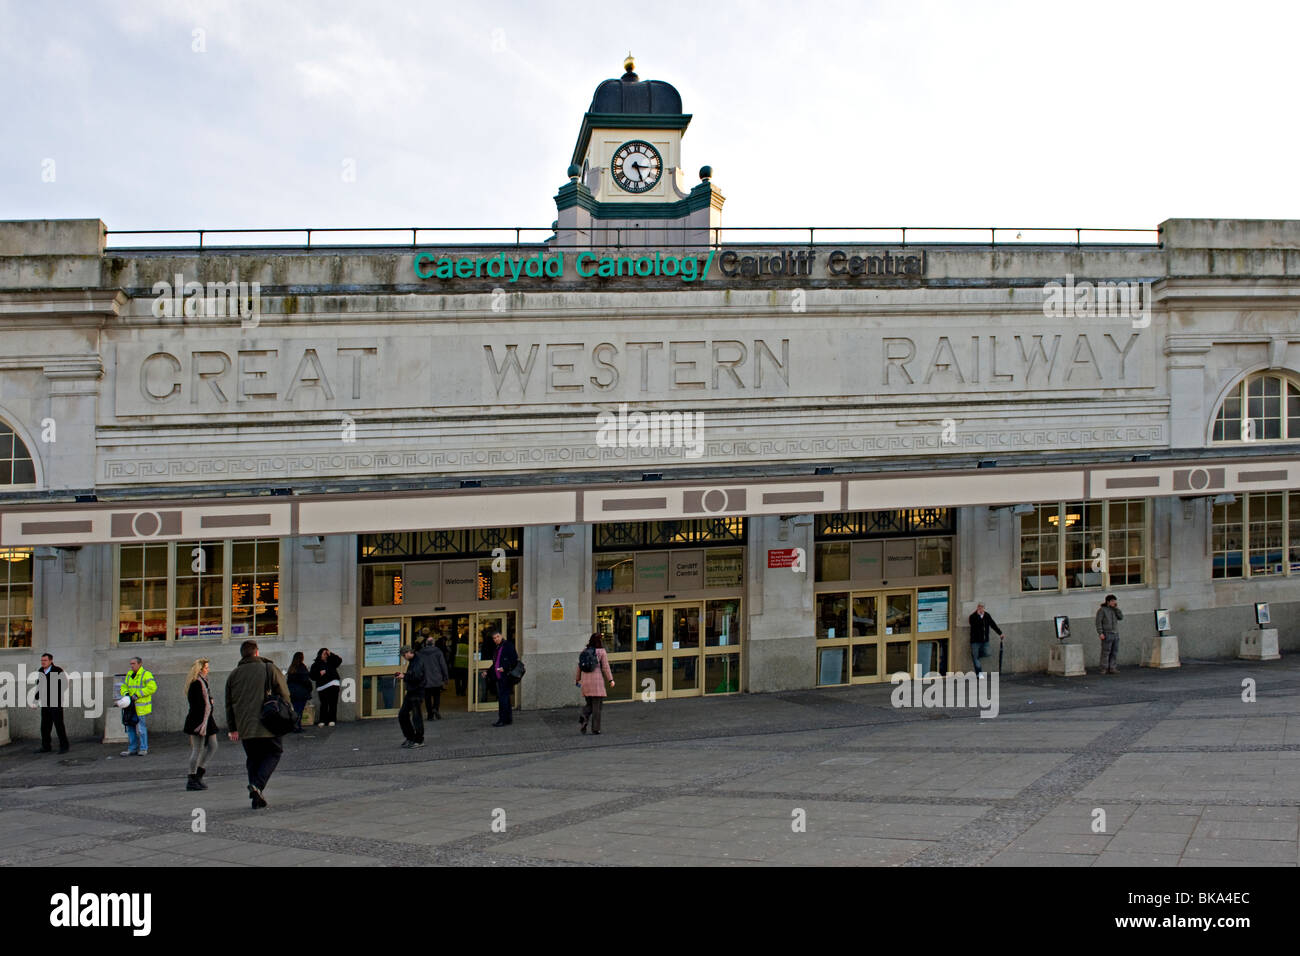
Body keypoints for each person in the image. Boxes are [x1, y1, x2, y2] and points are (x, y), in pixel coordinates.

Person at [225, 640, 293, 809]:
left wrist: (233, 728)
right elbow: (284, 693)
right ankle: (258, 785)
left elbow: (229, 704)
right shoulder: (268, 668)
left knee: (253, 759)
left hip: (245, 726)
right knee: (274, 752)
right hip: (268, 722)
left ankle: (256, 795)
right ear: (256, 652)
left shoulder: (233, 675)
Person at [182, 658, 219, 790]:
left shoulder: (203, 682)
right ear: (200, 669)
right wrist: (209, 702)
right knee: (197, 749)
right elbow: (198, 705)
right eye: (206, 667)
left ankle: (198, 774)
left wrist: (210, 701)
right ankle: (192, 778)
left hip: (207, 718)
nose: (208, 669)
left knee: (213, 746)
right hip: (199, 720)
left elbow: (205, 702)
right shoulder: (196, 683)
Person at [575, 633, 615, 736]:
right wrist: (610, 680)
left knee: (589, 704)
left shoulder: (584, 651)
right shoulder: (601, 652)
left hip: (585, 682)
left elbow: (579, 666)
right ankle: (595, 729)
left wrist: (577, 679)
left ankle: (584, 716)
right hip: (597, 683)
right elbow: (605, 667)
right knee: (597, 707)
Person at [120, 656, 156, 756]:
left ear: (140, 664)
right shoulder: (129, 674)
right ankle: (132, 748)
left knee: (141, 728)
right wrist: (126, 693)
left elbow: (152, 688)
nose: (131, 666)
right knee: (130, 727)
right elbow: (123, 686)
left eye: (133, 664)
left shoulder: (146, 674)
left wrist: (138, 694)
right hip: (130, 706)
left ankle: (143, 748)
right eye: (130, 664)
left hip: (141, 707)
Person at [33, 653, 69, 755]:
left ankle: (64, 746)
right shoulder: (41, 671)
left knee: (59, 725)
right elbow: (39, 687)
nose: (43, 662)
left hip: (55, 702)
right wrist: (35, 700)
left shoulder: (57, 670)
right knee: (44, 726)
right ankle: (46, 746)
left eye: (45, 660)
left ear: (50, 661)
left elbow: (65, 685)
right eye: (42, 660)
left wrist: (54, 692)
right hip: (45, 703)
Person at [395, 646, 426, 748]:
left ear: (408, 653)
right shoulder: (414, 661)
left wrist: (404, 676)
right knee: (403, 715)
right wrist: (405, 675)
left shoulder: (418, 661)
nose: (404, 658)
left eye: (404, 655)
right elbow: (414, 675)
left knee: (416, 717)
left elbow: (416, 676)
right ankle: (411, 737)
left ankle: (418, 740)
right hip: (412, 691)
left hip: (416, 691)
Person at [418, 631, 450, 720]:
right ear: (433, 643)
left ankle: (430, 715)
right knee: (436, 695)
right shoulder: (438, 652)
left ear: (425, 644)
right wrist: (446, 677)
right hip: (436, 677)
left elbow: (419, 666)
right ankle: (435, 708)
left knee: (427, 697)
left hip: (425, 678)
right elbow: (443, 665)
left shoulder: (421, 653)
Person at [489, 630, 518, 728]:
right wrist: (487, 672)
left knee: (503, 699)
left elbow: (514, 659)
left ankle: (502, 720)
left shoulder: (507, 645)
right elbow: (495, 663)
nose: (496, 639)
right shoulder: (497, 648)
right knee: (505, 699)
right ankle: (508, 719)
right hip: (499, 678)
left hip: (506, 677)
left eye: (497, 636)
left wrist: (504, 668)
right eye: (494, 638)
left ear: (501, 636)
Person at [968, 603, 1004, 676]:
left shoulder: (987, 615)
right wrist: (979, 616)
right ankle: (979, 674)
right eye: (979, 607)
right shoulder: (972, 616)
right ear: (977, 608)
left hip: (985, 640)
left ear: (984, 608)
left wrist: (1000, 633)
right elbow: (973, 625)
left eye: (982, 608)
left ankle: (975, 656)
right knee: (976, 659)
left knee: (987, 653)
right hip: (975, 641)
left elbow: (993, 624)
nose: (981, 609)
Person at [310, 647, 343, 725]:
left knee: (333, 703)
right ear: (320, 655)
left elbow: (339, 660)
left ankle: (332, 720)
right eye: (324, 654)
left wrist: (330, 653)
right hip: (322, 686)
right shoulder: (316, 664)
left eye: (326, 654)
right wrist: (319, 674)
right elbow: (312, 676)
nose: (326, 655)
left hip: (334, 684)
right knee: (324, 704)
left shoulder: (331, 661)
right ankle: (323, 720)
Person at [1095, 594, 1124, 674]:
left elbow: (1121, 617)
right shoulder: (1102, 610)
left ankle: (1112, 667)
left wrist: (1116, 609)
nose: (1114, 602)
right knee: (1106, 651)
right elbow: (1098, 622)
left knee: (1114, 651)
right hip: (1107, 633)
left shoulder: (1114, 610)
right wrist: (1100, 633)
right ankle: (1104, 667)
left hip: (1115, 633)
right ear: (1108, 602)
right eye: (1112, 601)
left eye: (1115, 601)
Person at [286, 651, 313, 732]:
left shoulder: (291, 668)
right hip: (301, 692)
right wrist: (310, 688)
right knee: (299, 710)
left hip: (292, 692)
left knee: (295, 709)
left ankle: (294, 726)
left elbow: (288, 681)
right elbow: (306, 681)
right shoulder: (302, 667)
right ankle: (297, 726)